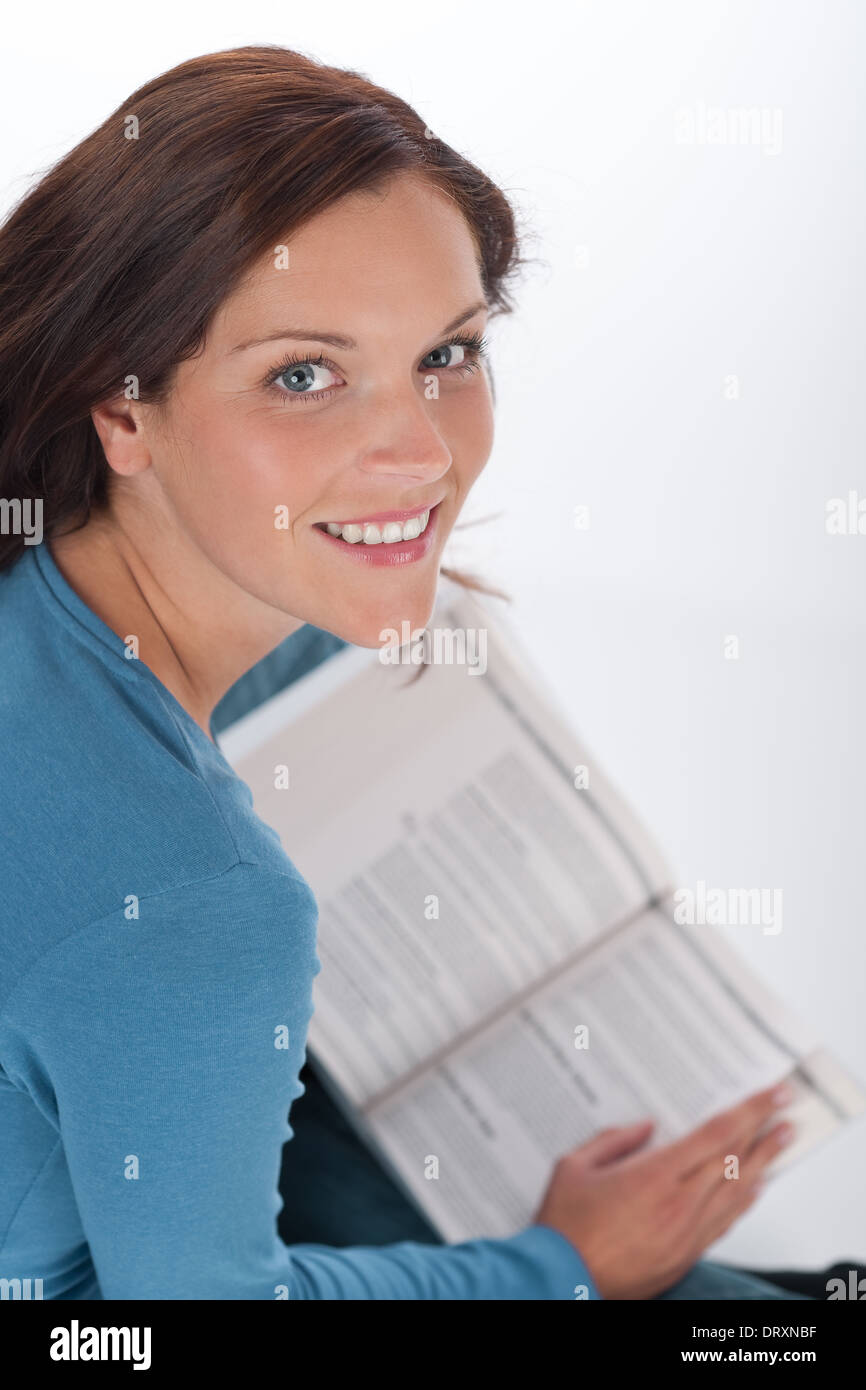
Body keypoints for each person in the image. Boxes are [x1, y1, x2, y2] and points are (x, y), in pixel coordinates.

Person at [0, 44, 840, 1300]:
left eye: (446, 354)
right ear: (119, 411)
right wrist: (562, 1264)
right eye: (303, 375)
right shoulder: (205, 903)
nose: (418, 452)